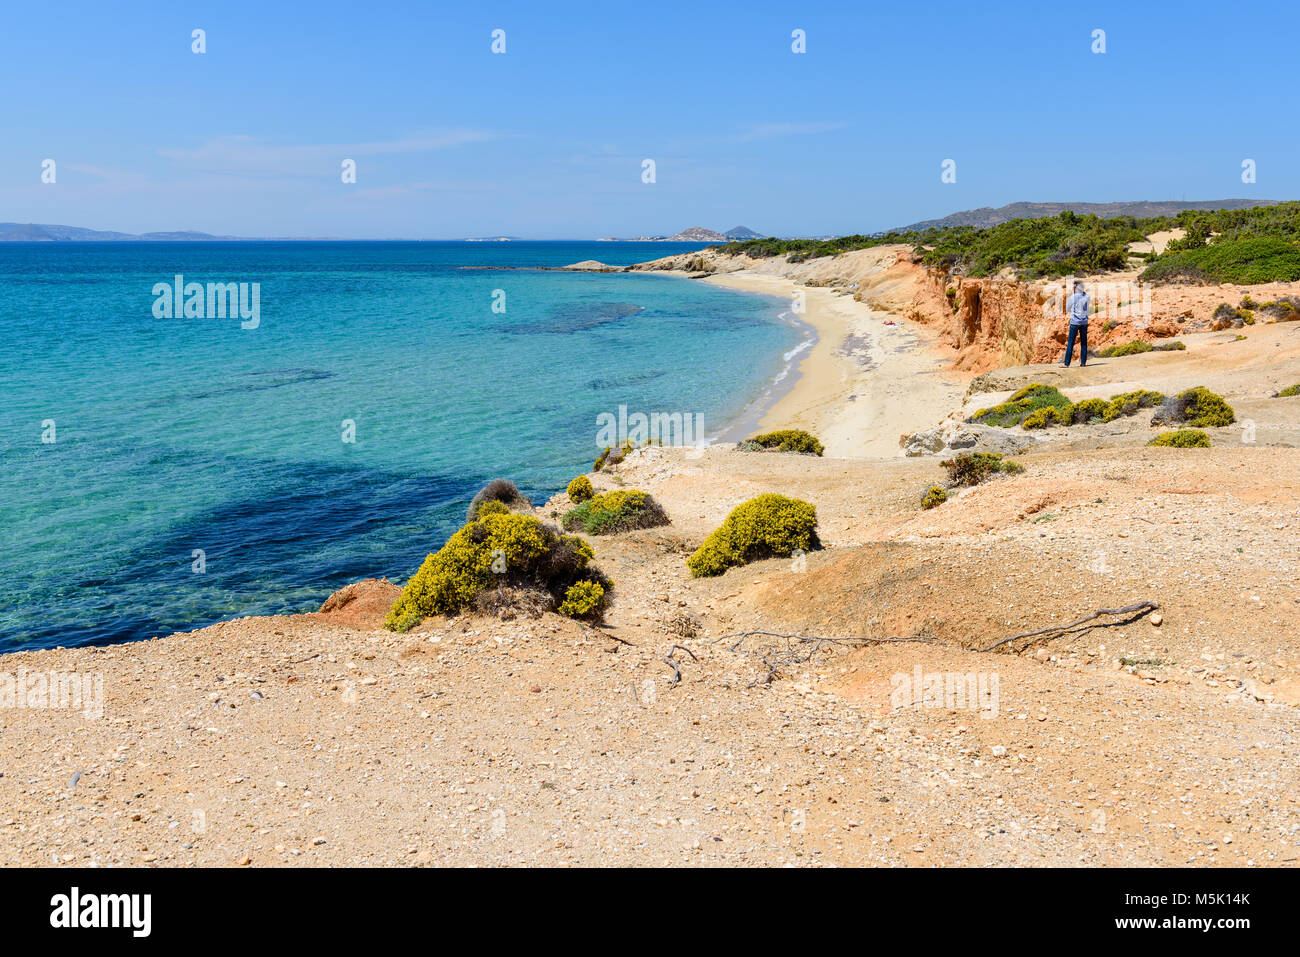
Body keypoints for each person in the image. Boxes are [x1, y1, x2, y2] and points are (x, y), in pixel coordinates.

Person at [1063, 280, 1089, 367]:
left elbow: (1067, 309)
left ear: (1076, 287)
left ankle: (1066, 364)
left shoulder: (1073, 297)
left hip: (1075, 322)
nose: (1073, 288)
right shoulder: (1087, 297)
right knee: (1084, 343)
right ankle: (1083, 363)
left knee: (1070, 343)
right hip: (1084, 322)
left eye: (1074, 287)